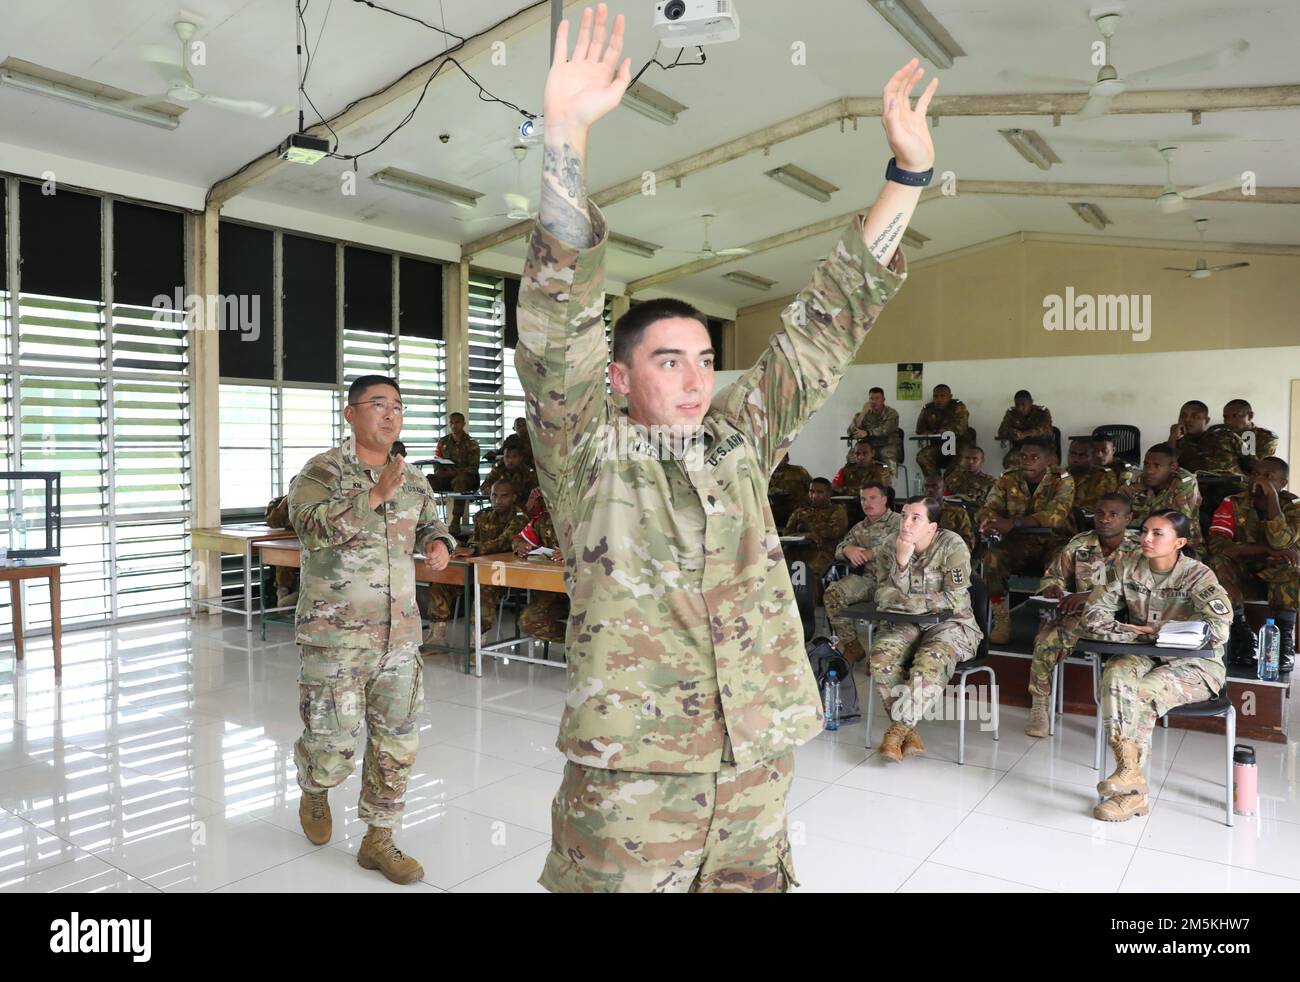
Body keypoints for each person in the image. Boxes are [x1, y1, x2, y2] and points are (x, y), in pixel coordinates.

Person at [516, 4, 935, 892]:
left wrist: (907, 175)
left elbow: (826, 324)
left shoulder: (739, 441)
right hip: (633, 782)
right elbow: (557, 328)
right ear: (621, 379)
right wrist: (564, 136)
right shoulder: (586, 454)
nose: (697, 378)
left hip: (756, 758)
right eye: (669, 361)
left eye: (705, 360)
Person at [288, 374, 454, 883]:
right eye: (378, 405)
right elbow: (308, 527)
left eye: (397, 407)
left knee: (397, 741)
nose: (390, 415)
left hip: (399, 638)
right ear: (350, 414)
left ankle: (379, 839)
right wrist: (373, 497)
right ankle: (316, 789)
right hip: (335, 637)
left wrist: (440, 540)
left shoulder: (412, 477)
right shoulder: (323, 471)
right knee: (332, 742)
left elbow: (432, 519)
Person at [1081, 510, 1232, 822]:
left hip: (1194, 666)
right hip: (1142, 650)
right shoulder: (1124, 566)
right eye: (1145, 531)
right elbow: (1093, 614)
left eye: (1157, 534)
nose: (1146, 539)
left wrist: (1161, 629)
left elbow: (1219, 629)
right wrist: (1134, 632)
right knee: (1115, 674)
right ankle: (1129, 774)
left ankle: (1130, 795)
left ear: (1180, 542)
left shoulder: (1198, 576)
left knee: (1142, 693)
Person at [868, 496, 982, 762]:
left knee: (931, 659)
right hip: (906, 623)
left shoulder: (952, 545)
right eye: (904, 515)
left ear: (932, 527)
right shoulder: (890, 545)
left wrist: (909, 602)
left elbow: (955, 599)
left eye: (915, 518)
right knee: (880, 654)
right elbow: (882, 595)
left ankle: (897, 732)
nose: (905, 523)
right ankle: (910, 732)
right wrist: (902, 563)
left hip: (951, 624)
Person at [1024, 493, 1141, 736]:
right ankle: (1039, 706)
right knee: (1046, 640)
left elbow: (1142, 590)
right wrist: (1051, 586)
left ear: (1128, 518)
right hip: (1080, 618)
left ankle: (1124, 716)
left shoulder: (1140, 549)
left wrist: (1090, 596)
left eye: (1113, 514)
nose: (1105, 520)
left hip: (1126, 622)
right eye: (1100, 513)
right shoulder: (1079, 544)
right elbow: (1053, 574)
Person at [976, 436, 1076, 643]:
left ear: (1049, 461)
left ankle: (1046, 619)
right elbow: (990, 507)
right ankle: (1001, 618)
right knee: (991, 557)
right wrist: (987, 519)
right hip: (1017, 543)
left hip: (1052, 543)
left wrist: (1014, 522)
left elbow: (1055, 515)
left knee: (1059, 561)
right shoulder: (1007, 478)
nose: (1027, 461)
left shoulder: (1063, 479)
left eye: (1034, 457)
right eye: (1023, 456)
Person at [1207, 456, 1299, 672]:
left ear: (1283, 483)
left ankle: (1283, 640)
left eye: (1268, 477)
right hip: (1242, 577)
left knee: (1289, 563)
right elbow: (1217, 546)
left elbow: (1282, 541)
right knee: (1217, 562)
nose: (1259, 480)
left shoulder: (1294, 506)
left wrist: (1272, 499)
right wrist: (1265, 549)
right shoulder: (1233, 502)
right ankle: (1243, 635)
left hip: (1277, 581)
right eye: (1256, 474)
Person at [424, 479, 527, 649]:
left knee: (484, 589)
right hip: (474, 570)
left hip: (499, 574)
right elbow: (474, 541)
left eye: (504, 496)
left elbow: (504, 543)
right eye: (494, 495)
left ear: (514, 497)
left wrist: (474, 549)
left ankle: (476, 643)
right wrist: (461, 547)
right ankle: (437, 636)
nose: (498, 500)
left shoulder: (519, 518)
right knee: (441, 582)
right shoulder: (483, 515)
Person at [823, 482, 902, 662]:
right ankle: (852, 646)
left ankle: (883, 655)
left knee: (886, 605)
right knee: (833, 594)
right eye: (863, 499)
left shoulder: (900, 521)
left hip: (894, 582)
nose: (867, 503)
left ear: (884, 500)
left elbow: (900, 546)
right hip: (868, 581)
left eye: (872, 498)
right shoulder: (859, 527)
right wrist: (847, 550)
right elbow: (838, 549)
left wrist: (871, 553)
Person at [1118, 443, 1203, 553]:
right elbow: (1117, 518)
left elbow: (1174, 526)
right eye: (1146, 464)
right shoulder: (1135, 481)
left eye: (1157, 466)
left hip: (1180, 547)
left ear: (1172, 468)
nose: (1149, 471)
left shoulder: (1184, 482)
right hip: (1138, 542)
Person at [514, 496, 569, 643]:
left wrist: (573, 553)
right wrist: (519, 546)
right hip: (551, 590)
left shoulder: (592, 521)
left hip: (585, 591)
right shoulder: (544, 520)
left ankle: (584, 649)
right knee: (528, 622)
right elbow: (520, 539)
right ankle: (574, 643)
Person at [783, 477, 850, 586]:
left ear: (829, 494)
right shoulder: (800, 511)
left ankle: (810, 600)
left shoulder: (837, 510)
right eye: (811, 491)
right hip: (798, 549)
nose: (814, 495)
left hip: (823, 550)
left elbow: (833, 531)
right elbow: (787, 532)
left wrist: (808, 529)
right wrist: (806, 534)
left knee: (810, 572)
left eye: (819, 492)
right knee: (778, 563)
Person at [430, 411, 480, 535]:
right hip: (447, 477)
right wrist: (439, 472)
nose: (454, 425)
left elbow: (473, 468)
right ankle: (428, 519)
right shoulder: (443, 442)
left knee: (459, 482)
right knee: (428, 480)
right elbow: (437, 461)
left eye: (457, 422)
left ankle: (456, 521)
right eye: (451, 422)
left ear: (463, 424)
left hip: (468, 479)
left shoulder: (472, 443)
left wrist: (455, 472)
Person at [1169, 400, 1244, 477]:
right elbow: (1167, 469)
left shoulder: (1226, 437)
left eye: (1195, 416)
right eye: (1183, 416)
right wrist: (1172, 439)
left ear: (1207, 420)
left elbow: (1252, 461)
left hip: (1235, 487)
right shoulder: (1173, 444)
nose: (1187, 420)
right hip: (1194, 487)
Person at [915, 384, 972, 478]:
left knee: (961, 458)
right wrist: (929, 432)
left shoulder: (958, 406)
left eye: (943, 396)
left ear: (950, 397)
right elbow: (920, 430)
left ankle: (948, 485)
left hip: (958, 445)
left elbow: (960, 428)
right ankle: (936, 484)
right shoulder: (928, 409)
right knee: (922, 457)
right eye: (936, 396)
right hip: (939, 446)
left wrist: (936, 431)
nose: (939, 399)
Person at [996, 389, 1053, 470]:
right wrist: (1011, 432)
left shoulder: (1042, 412)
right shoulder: (1012, 413)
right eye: (1017, 404)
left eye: (1023, 404)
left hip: (1042, 447)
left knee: (1043, 464)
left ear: (1031, 402)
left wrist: (1024, 434)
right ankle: (1017, 482)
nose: (1020, 408)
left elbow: (1046, 428)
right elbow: (1002, 431)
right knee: (1010, 462)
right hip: (1021, 448)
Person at [1221, 398, 1277, 476]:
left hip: (1249, 483)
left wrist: (1237, 441)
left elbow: (1259, 468)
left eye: (1235, 416)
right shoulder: (1219, 435)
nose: (1229, 421)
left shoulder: (1265, 437)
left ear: (1250, 416)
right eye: (1226, 417)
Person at [847, 386, 900, 466]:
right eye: (871, 399)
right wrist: (863, 413)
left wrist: (868, 433)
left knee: (888, 456)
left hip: (887, 445)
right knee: (851, 456)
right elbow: (850, 432)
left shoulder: (891, 413)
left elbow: (886, 429)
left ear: (883, 400)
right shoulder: (863, 414)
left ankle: (888, 477)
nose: (874, 401)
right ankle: (857, 478)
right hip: (867, 446)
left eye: (877, 398)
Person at [1068, 436, 1119, 516]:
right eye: (1072, 453)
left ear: (1092, 456)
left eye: (1082, 455)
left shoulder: (1104, 476)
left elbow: (1098, 506)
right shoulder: (1060, 474)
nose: (1076, 459)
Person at [923, 472, 975, 550]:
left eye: (935, 486)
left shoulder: (957, 512)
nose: (930, 490)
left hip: (948, 556)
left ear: (944, 489)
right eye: (927, 486)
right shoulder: (918, 511)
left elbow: (968, 542)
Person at [479, 435, 539, 500]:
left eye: (514, 456)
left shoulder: (529, 473)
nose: (510, 460)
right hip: (500, 506)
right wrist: (491, 491)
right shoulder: (498, 468)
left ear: (521, 457)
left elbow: (533, 497)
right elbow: (484, 487)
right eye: (507, 456)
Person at [769, 453, 812, 528]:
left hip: (799, 512)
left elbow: (812, 487)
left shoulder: (799, 471)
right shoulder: (764, 474)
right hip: (774, 513)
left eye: (780, 457)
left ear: (787, 459)